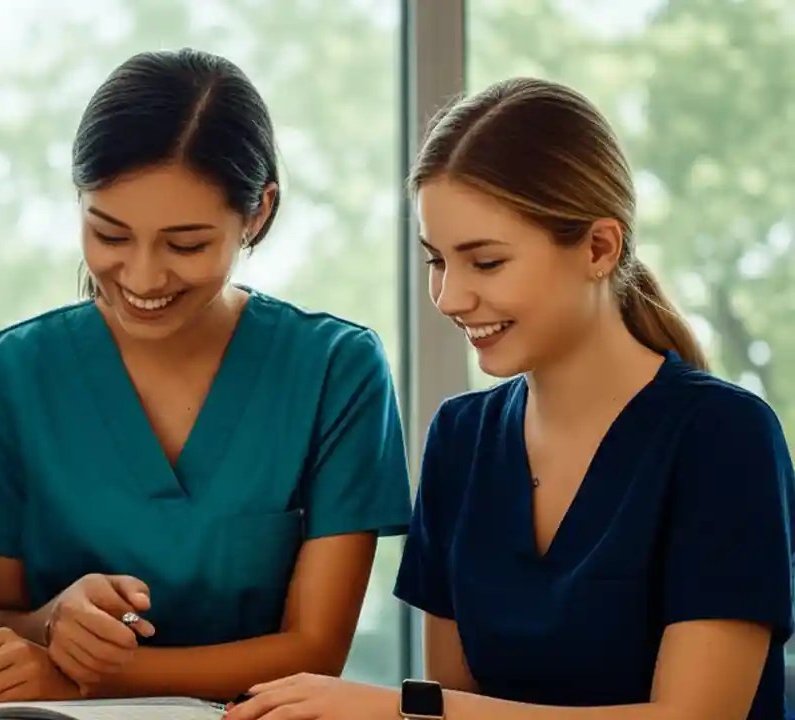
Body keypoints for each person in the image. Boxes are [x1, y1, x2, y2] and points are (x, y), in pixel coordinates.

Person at [226, 77, 794, 720]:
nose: (450, 297)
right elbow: (457, 704)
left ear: (599, 248)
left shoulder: (724, 437)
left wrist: (405, 711)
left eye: (487, 262)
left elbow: (694, 718)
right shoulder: (460, 439)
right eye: (437, 261)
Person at [0, 47, 412, 707]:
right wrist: (56, 620)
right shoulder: (7, 375)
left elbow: (315, 650)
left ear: (258, 213)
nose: (143, 276)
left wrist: (92, 676)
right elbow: (0, 623)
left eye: (186, 245)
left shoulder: (336, 370)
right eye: (110, 235)